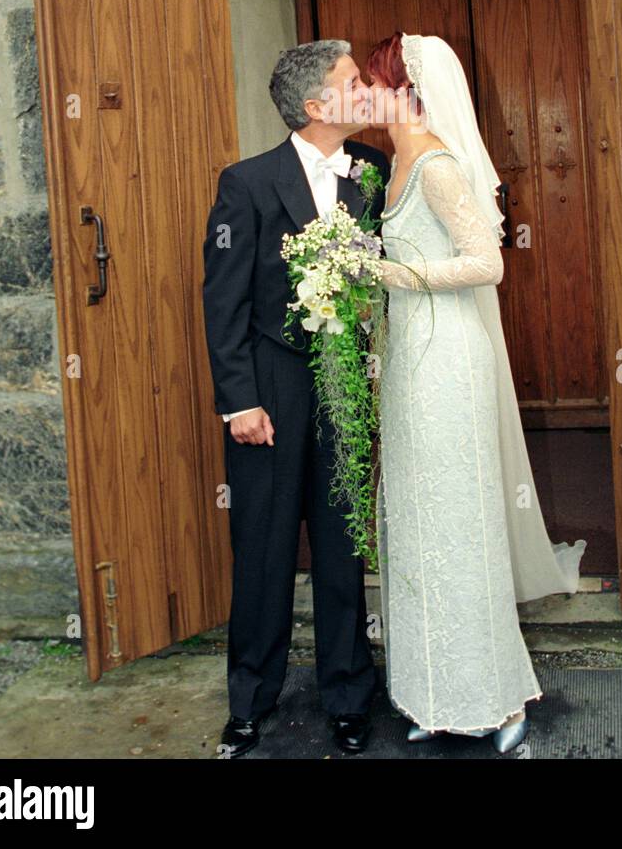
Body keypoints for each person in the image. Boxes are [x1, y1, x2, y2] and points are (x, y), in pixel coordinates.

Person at [366, 31, 586, 752]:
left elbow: (485, 263)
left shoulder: (434, 164)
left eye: (370, 81)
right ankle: (431, 689)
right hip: (408, 362)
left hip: (448, 358)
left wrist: (395, 276)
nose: (361, 94)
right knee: (418, 521)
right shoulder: (393, 162)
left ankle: (495, 695)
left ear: (404, 90)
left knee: (458, 520)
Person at [202, 39, 391, 757]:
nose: (366, 87)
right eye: (351, 81)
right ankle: (250, 698)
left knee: (343, 544)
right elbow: (222, 301)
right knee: (263, 548)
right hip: (270, 389)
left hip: (344, 381)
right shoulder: (246, 183)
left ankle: (348, 695)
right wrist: (238, 401)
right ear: (316, 106)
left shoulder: (370, 171)